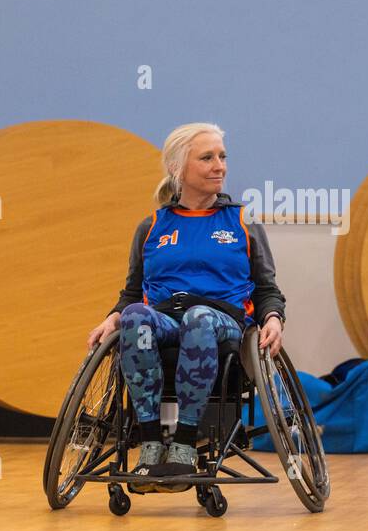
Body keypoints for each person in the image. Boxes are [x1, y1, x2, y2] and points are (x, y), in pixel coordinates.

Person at [87, 123, 286, 491]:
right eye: (207, 158)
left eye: (222, 157)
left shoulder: (242, 222)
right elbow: (132, 292)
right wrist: (112, 317)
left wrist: (273, 318)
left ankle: (183, 444)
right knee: (135, 318)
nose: (220, 166)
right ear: (178, 169)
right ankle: (149, 444)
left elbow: (267, 289)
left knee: (199, 318)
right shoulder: (152, 226)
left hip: (222, 321)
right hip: (165, 318)